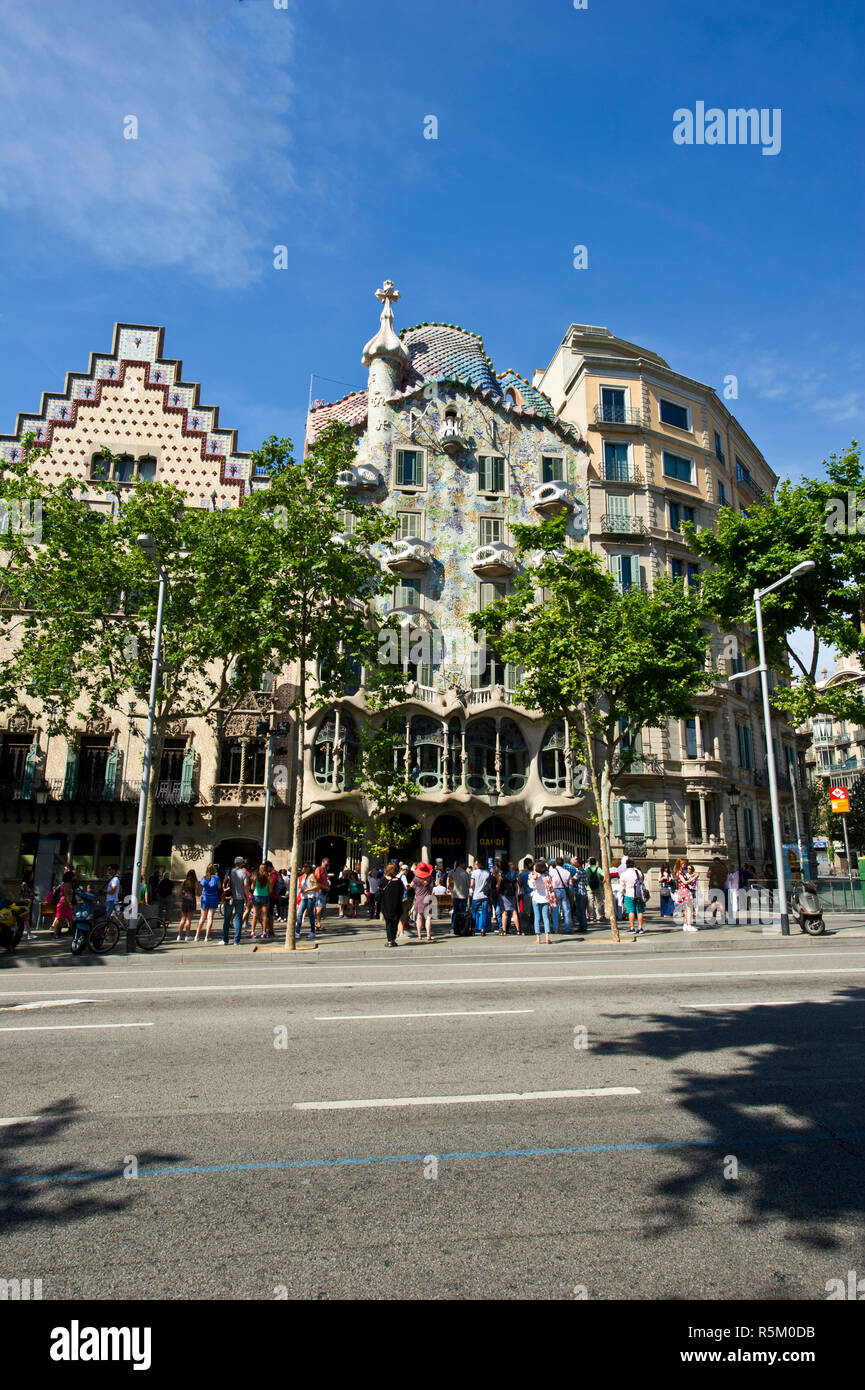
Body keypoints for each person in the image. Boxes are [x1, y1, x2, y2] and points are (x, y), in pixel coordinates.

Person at [223, 855, 249, 946]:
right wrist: (247, 898)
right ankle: (236, 940)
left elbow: (224, 883)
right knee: (238, 919)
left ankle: (225, 939)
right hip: (240, 898)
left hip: (229, 897)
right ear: (242, 863)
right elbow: (245, 886)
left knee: (227, 918)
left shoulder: (229, 872)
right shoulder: (244, 873)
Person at [528, 860, 554, 945]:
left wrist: (532, 878)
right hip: (545, 898)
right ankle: (547, 937)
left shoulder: (533, 875)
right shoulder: (547, 876)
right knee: (546, 917)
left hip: (536, 897)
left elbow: (532, 886)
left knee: (537, 917)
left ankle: (538, 938)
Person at [619, 857, 646, 936]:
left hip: (629, 894)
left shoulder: (624, 874)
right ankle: (640, 927)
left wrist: (624, 891)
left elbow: (622, 886)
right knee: (640, 911)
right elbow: (641, 881)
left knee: (630, 911)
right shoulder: (638, 872)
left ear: (626, 866)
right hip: (639, 895)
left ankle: (632, 927)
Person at [380, 862, 404, 947]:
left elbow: (379, 892)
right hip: (397, 905)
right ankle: (393, 939)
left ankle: (390, 940)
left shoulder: (383, 880)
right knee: (395, 922)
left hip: (386, 904)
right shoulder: (399, 881)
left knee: (388, 923)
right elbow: (402, 892)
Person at [195, 863, 220, 942]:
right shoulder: (216, 878)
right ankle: (207, 936)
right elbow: (219, 887)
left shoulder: (204, 878)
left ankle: (197, 936)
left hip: (205, 898)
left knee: (202, 918)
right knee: (210, 918)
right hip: (213, 898)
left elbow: (201, 887)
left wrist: (199, 893)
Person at [411, 861, 435, 942]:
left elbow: (411, 886)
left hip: (419, 898)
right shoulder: (430, 878)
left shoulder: (416, 878)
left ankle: (419, 935)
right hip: (428, 897)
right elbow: (431, 889)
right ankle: (428, 935)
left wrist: (416, 891)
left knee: (419, 917)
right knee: (428, 917)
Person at [549, 858, 573, 933]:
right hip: (564, 890)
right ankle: (568, 928)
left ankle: (555, 928)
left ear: (556, 863)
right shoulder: (567, 872)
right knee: (566, 910)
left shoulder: (551, 872)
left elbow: (549, 882)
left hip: (555, 890)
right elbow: (570, 883)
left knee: (555, 910)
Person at [674, 857, 698, 931]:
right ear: (679, 864)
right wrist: (694, 878)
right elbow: (685, 882)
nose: (684, 865)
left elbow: (687, 878)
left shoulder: (682, 872)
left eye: (685, 863)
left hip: (683, 890)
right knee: (689, 909)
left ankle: (685, 924)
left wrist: (693, 876)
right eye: (683, 864)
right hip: (685, 890)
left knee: (686, 909)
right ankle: (689, 924)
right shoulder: (679, 872)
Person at [469, 860, 491, 935]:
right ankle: (483, 929)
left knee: (474, 912)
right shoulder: (487, 873)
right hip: (485, 895)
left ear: (479, 865)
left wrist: (473, 889)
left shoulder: (474, 873)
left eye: (476, 864)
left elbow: (472, 884)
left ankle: (473, 929)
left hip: (476, 895)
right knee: (484, 912)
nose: (475, 866)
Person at [249, 864, 271, 940]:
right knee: (264, 916)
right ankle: (264, 932)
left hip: (256, 896)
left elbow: (252, 887)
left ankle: (252, 932)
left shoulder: (255, 877)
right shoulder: (268, 878)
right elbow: (270, 890)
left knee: (255, 915)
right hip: (265, 896)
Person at [497, 861, 520, 934]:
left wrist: (497, 890)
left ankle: (504, 930)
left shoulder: (501, 874)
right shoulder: (513, 873)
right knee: (514, 911)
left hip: (503, 894)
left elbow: (498, 885)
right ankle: (518, 930)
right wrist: (516, 892)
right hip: (512, 893)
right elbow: (516, 885)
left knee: (504, 912)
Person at [297, 863, 319, 939]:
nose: (304, 868)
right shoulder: (303, 876)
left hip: (310, 897)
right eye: (304, 867)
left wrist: (307, 890)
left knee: (310, 914)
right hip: (304, 897)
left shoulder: (312, 876)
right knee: (299, 914)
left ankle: (312, 931)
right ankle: (297, 931)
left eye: (306, 867)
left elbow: (316, 887)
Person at [449, 861, 471, 933]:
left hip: (455, 894)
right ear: (462, 864)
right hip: (463, 894)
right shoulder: (465, 873)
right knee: (462, 911)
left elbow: (450, 883)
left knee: (455, 911)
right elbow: (468, 884)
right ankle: (462, 926)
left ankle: (452, 927)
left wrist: (452, 890)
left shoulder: (453, 872)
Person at [707, 855, 729, 924]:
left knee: (713, 902)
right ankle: (723, 918)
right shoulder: (724, 867)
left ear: (714, 861)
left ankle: (714, 917)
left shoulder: (712, 866)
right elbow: (726, 877)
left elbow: (708, 875)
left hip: (713, 886)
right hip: (721, 886)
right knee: (721, 903)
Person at [177, 870, 198, 941]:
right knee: (188, 919)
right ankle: (187, 935)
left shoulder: (184, 882)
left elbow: (179, 893)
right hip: (191, 900)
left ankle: (179, 935)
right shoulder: (195, 883)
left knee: (182, 919)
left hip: (185, 900)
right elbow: (196, 893)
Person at [570, 858, 588, 933]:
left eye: (575, 862)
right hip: (582, 891)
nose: (574, 863)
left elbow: (574, 879)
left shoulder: (579, 871)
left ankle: (583, 925)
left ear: (578, 863)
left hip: (580, 892)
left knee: (581, 910)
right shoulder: (583, 870)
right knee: (581, 909)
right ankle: (582, 925)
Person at [585, 858, 604, 923]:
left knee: (591, 903)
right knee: (599, 902)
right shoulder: (598, 869)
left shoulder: (587, 870)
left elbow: (585, 878)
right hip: (598, 888)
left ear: (589, 863)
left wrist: (586, 884)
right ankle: (599, 916)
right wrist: (602, 882)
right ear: (595, 862)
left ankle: (591, 917)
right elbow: (603, 875)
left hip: (589, 888)